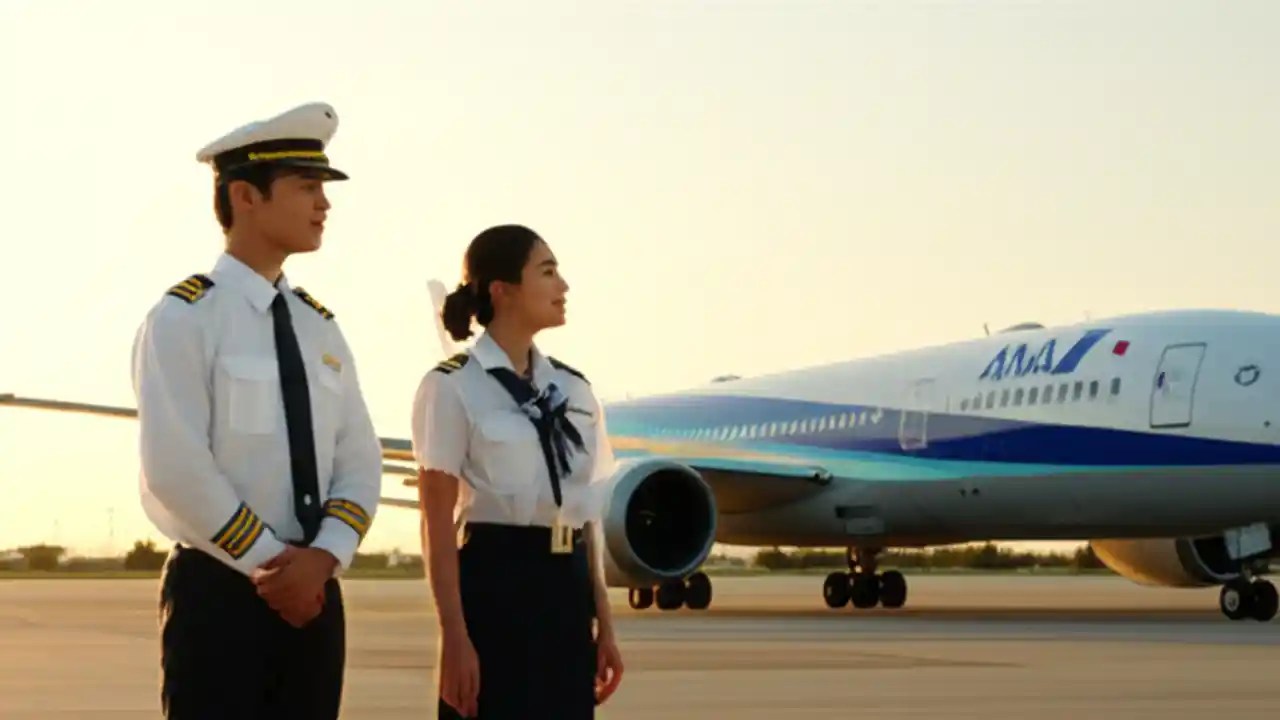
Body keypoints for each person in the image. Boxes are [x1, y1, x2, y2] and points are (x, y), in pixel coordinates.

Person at [130, 101, 384, 719]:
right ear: (245, 196)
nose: (324, 204)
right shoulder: (184, 319)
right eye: (306, 187)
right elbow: (176, 469)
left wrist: (323, 559)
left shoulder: (320, 328)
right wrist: (274, 568)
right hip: (223, 590)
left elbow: (360, 458)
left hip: (316, 590)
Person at [412, 224, 625, 719]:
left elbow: (585, 514)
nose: (563, 286)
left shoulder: (574, 390)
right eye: (547, 272)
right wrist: (454, 637)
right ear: (501, 290)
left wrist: (605, 624)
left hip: (567, 593)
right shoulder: (452, 387)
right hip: (495, 587)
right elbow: (436, 523)